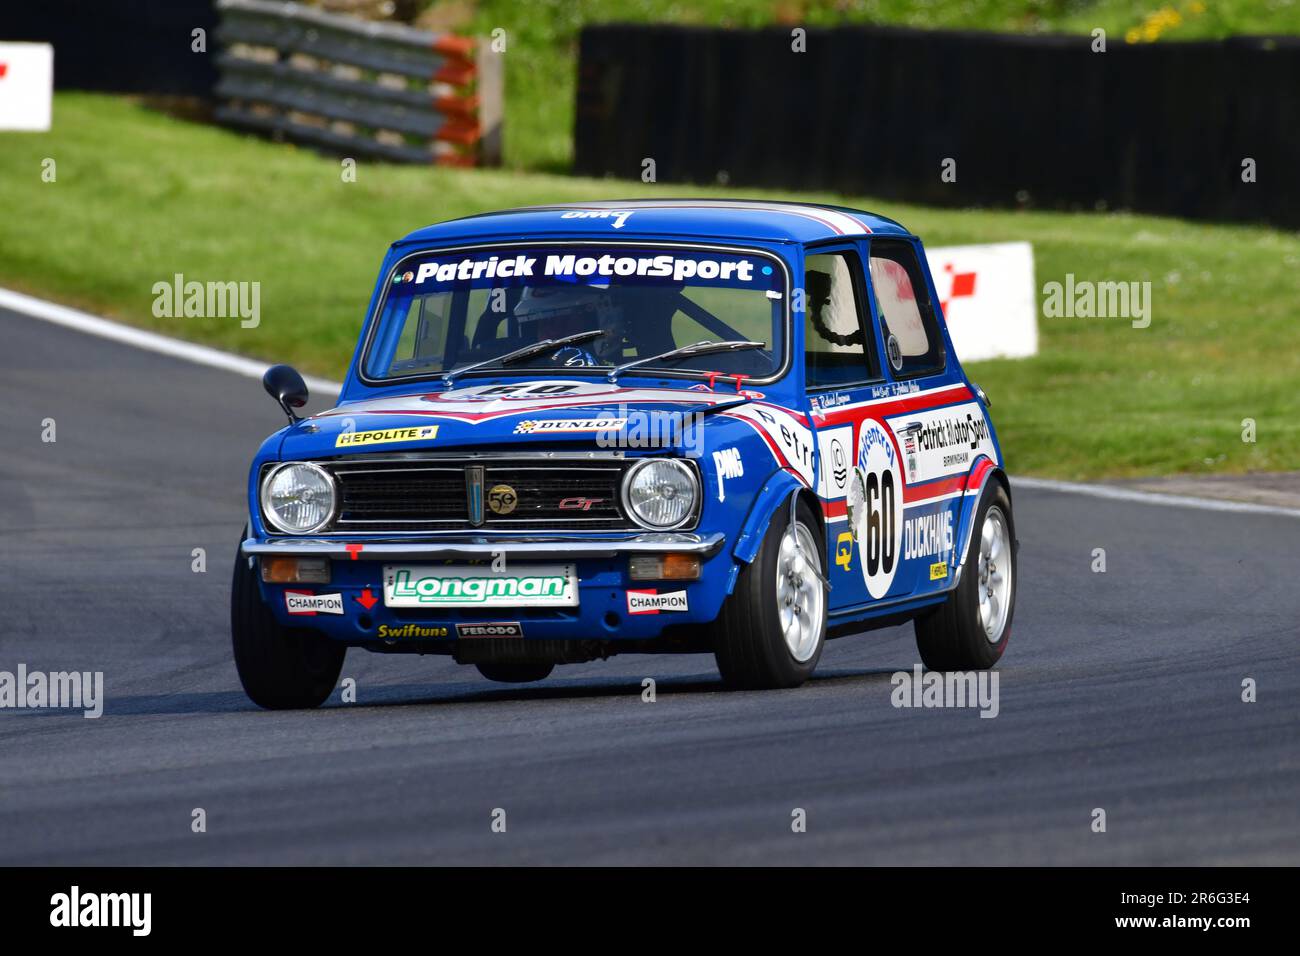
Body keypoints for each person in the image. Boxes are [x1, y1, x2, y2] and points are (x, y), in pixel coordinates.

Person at [512, 283, 626, 366]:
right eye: (545, 322)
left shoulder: (632, 380)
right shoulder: (509, 371)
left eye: (565, 321)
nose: (553, 331)